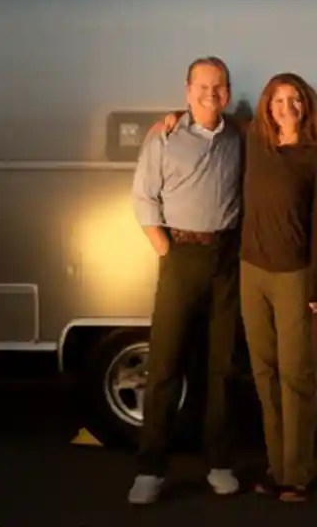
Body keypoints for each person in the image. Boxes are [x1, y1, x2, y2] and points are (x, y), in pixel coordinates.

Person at [156, 72, 317, 502]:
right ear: (266, 107)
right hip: (251, 272)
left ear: (305, 107)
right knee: (263, 373)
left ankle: (299, 474)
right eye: (277, 100)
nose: (286, 108)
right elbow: (209, 114)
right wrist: (176, 115)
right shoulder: (254, 141)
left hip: (293, 277)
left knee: (296, 377)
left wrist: (316, 286)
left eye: (294, 100)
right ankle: (276, 467)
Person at [129, 56, 245, 505]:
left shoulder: (240, 136)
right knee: (165, 366)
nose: (210, 94)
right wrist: (166, 250)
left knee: (222, 367)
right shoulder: (166, 136)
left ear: (228, 93)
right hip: (180, 256)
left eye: (218, 87)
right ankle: (150, 470)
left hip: (227, 260)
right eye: (202, 87)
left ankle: (219, 464)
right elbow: (143, 198)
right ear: (186, 90)